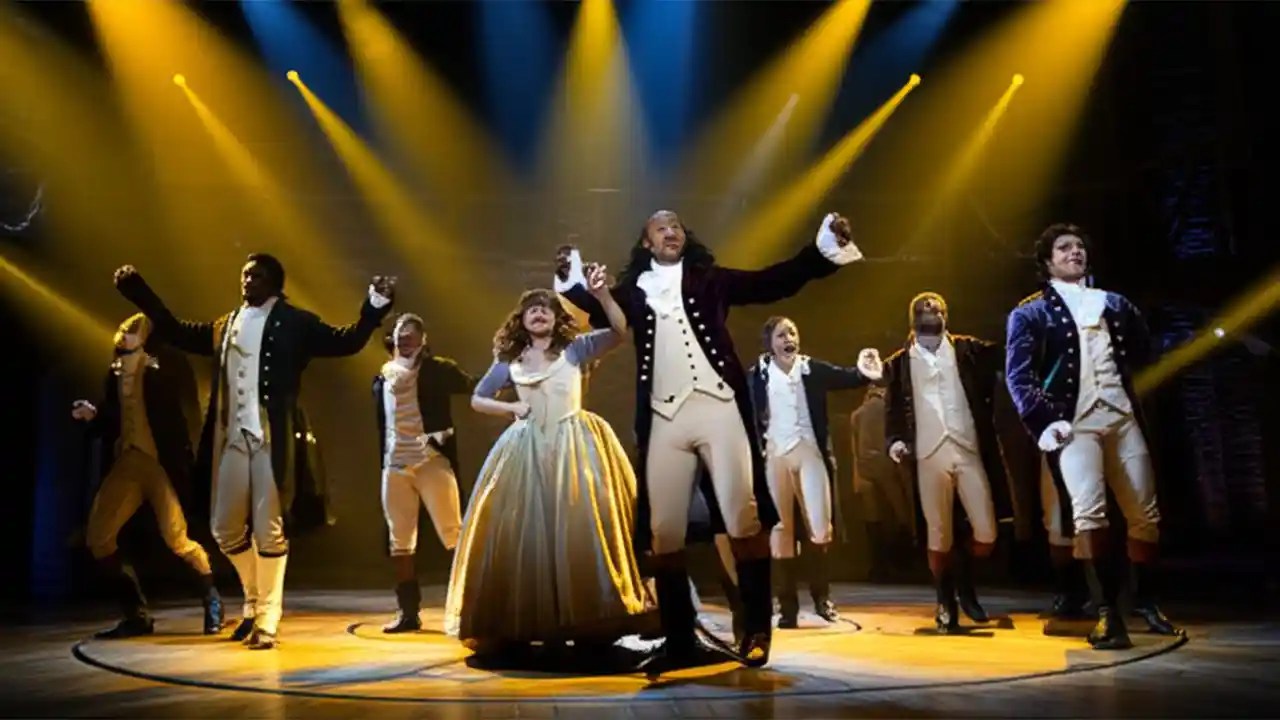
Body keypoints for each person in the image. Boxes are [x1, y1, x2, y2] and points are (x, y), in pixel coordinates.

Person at [555, 210, 863, 672]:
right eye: (661, 227)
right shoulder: (632, 291)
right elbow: (593, 311)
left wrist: (820, 252)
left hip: (719, 408)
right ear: (646, 242)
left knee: (743, 518)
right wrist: (571, 276)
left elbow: (771, 282)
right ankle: (679, 641)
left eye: (676, 226)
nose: (671, 231)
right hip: (665, 417)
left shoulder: (711, 280)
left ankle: (756, 632)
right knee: (663, 531)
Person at [113, 254, 394, 649]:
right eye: (245, 275)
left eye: (256, 276)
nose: (247, 281)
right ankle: (253, 599)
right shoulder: (225, 325)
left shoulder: (295, 322)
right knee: (224, 528)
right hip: (231, 437)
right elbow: (176, 330)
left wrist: (374, 306)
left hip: (271, 438)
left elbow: (345, 341)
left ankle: (267, 619)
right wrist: (139, 292)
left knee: (269, 530)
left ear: (274, 282)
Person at [444, 267, 655, 654]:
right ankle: (535, 620)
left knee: (577, 528)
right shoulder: (510, 359)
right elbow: (478, 398)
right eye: (532, 309)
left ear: (558, 319)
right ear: (521, 320)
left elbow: (619, 332)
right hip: (527, 449)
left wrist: (603, 296)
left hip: (573, 446)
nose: (539, 313)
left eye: (546, 308)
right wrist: (510, 408)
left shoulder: (575, 350)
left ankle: (588, 617)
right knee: (528, 531)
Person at [1006, 223, 1181, 649]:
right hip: (1074, 424)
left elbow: (1144, 350)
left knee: (1145, 513)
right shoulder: (1029, 313)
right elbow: (1019, 377)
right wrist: (1044, 420)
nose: (1075, 252)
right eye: (1064, 248)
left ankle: (1147, 602)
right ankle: (1106, 614)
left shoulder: (1114, 303)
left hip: (1121, 416)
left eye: (1079, 247)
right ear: (1047, 261)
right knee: (1089, 514)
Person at [71, 313, 221, 638]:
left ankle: (211, 600)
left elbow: (184, 409)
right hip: (129, 460)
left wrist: (190, 459)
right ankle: (135, 614)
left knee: (177, 538)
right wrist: (93, 415)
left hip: (161, 462)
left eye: (135, 328)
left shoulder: (164, 362)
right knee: (99, 536)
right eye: (125, 326)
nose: (126, 330)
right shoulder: (114, 371)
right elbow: (113, 418)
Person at [884, 292, 1012, 633]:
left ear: (946, 315)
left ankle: (965, 583)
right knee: (939, 532)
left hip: (966, 447)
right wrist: (895, 441)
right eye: (924, 309)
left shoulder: (967, 350)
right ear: (912, 317)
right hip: (928, 454)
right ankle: (946, 601)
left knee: (986, 531)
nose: (931, 312)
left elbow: (1007, 350)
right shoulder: (898, 363)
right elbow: (893, 409)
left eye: (937, 308)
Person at [747, 316, 883, 627]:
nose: (788, 339)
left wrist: (865, 369)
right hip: (775, 456)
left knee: (820, 528)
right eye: (781, 335)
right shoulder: (758, 375)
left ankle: (822, 598)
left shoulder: (810, 369)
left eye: (792, 333)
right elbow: (743, 409)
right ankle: (787, 606)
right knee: (780, 531)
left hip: (809, 451)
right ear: (770, 342)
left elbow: (847, 377)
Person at [373, 312, 476, 632]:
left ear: (423, 340)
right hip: (395, 466)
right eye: (401, 333)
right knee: (400, 541)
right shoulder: (383, 378)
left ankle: (471, 605)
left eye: (412, 333)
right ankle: (408, 612)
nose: (406, 338)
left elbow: (474, 386)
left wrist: (512, 373)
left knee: (453, 533)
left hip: (431, 462)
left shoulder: (437, 370)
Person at [850, 385, 916, 581]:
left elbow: (854, 450)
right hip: (887, 467)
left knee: (873, 517)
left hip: (865, 468)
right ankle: (904, 561)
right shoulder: (888, 411)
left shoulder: (857, 414)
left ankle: (877, 566)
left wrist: (856, 477)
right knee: (902, 513)